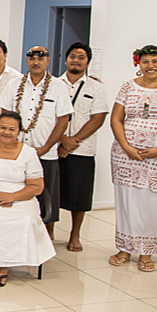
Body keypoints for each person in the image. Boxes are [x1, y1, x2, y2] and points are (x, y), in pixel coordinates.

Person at [0, 111, 55, 287]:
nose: (6, 132)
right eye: (3, 127)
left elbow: (36, 186)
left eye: (12, 129)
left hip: (21, 195)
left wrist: (13, 196)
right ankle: (1, 264)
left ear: (19, 131)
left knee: (27, 218)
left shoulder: (29, 152)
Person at [0, 46, 73, 234]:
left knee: (46, 198)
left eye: (41, 57)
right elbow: (5, 114)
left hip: (45, 152)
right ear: (27, 60)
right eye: (32, 58)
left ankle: (46, 236)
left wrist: (46, 147)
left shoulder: (58, 86)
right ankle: (17, 232)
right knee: (16, 193)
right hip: (16, 152)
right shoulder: (14, 84)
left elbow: (63, 120)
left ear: (48, 60)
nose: (36, 61)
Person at [108, 45, 157, 272]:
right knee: (126, 202)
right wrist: (126, 147)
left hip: (154, 158)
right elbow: (116, 119)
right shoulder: (128, 86)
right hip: (125, 156)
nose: (151, 65)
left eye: (155, 61)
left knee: (150, 205)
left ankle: (146, 252)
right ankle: (124, 247)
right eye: (146, 61)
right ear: (139, 63)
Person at [57, 42, 108, 252]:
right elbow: (46, 116)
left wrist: (72, 141)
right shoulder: (53, 84)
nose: (76, 60)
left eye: (81, 57)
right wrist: (61, 139)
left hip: (82, 150)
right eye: (72, 56)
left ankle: (75, 234)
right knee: (53, 192)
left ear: (87, 61)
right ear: (66, 58)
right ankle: (49, 232)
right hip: (54, 147)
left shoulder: (96, 87)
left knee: (79, 195)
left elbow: (98, 119)